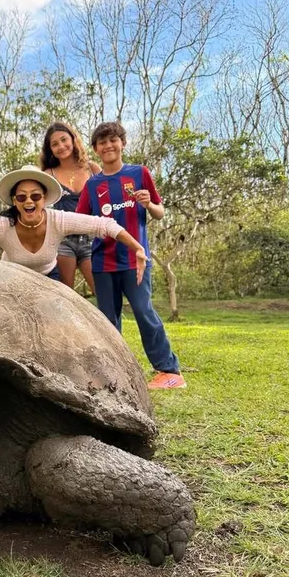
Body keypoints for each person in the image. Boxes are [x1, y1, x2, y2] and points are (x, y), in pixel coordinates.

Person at [76, 122, 185, 390]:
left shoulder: (139, 174)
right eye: (102, 142)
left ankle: (169, 371)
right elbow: (79, 220)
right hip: (102, 262)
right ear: (96, 149)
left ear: (123, 143)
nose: (108, 146)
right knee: (108, 320)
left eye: (113, 140)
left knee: (143, 310)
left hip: (135, 260)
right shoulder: (93, 185)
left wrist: (149, 204)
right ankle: (114, 375)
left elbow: (160, 212)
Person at [0, 165, 147, 283]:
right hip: (11, 279)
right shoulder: (3, 225)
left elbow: (103, 225)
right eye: (21, 196)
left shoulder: (57, 220)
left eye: (35, 196)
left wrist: (137, 247)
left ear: (44, 199)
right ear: (15, 201)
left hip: (48, 278)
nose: (29, 201)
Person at [40, 122, 101, 293]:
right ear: (50, 149)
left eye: (64, 140)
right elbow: (37, 207)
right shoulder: (47, 175)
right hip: (62, 241)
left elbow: (107, 202)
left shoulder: (93, 169)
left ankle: (110, 321)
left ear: (73, 140)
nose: (61, 146)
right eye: (54, 144)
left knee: (104, 293)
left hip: (92, 239)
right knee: (66, 296)